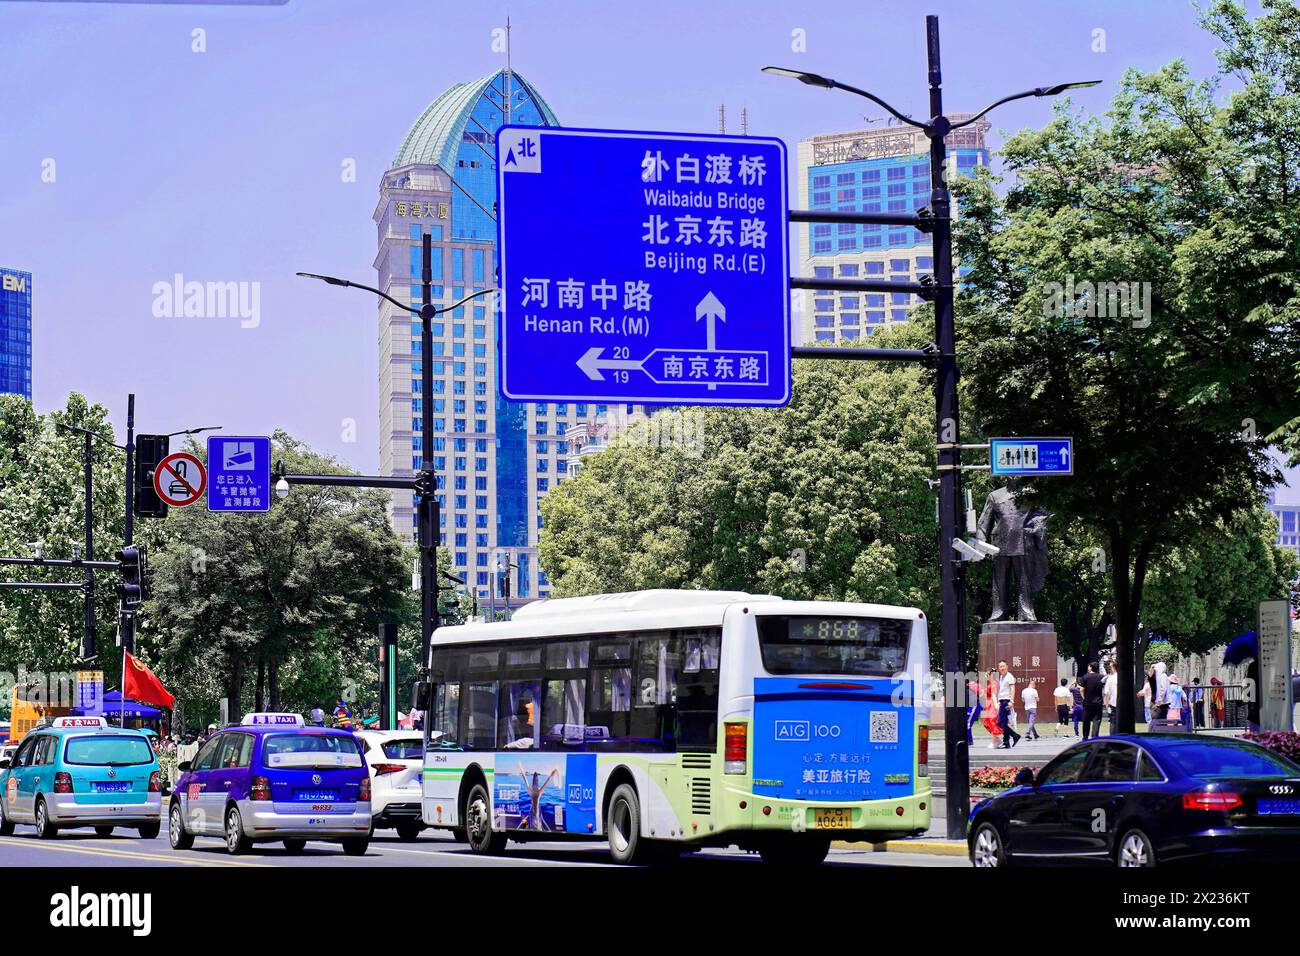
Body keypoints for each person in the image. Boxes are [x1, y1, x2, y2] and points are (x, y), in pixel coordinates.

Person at [996, 660, 1022, 749]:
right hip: (1002, 701)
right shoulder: (1001, 677)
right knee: (1002, 723)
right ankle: (1008, 741)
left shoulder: (1009, 676)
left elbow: (1012, 689)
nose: (1002, 668)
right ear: (998, 668)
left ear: (1007, 666)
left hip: (1006, 701)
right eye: (1000, 666)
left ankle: (1012, 738)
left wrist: (1011, 701)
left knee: (1001, 722)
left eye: (1003, 666)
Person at [1080, 662, 1106, 739]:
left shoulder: (1085, 677)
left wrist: (1084, 698)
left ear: (1091, 667)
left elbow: (1081, 689)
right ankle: (1094, 737)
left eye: (1089, 666)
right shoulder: (1101, 677)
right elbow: (1104, 690)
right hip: (1098, 702)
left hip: (1088, 703)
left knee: (1086, 721)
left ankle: (1085, 737)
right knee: (1096, 721)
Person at [982, 670, 1002, 749]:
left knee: (992, 722)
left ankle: (994, 742)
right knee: (987, 722)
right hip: (989, 705)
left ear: (991, 675)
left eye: (987, 675)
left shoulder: (994, 684)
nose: (986, 677)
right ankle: (997, 740)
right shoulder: (991, 683)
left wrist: (996, 705)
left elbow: (994, 694)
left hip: (992, 705)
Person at [1103, 661, 1119, 734]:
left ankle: (1112, 738)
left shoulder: (1110, 678)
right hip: (1124, 704)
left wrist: (1107, 704)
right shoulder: (1125, 678)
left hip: (1113, 703)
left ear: (1113, 668)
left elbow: (1106, 693)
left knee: (1113, 722)